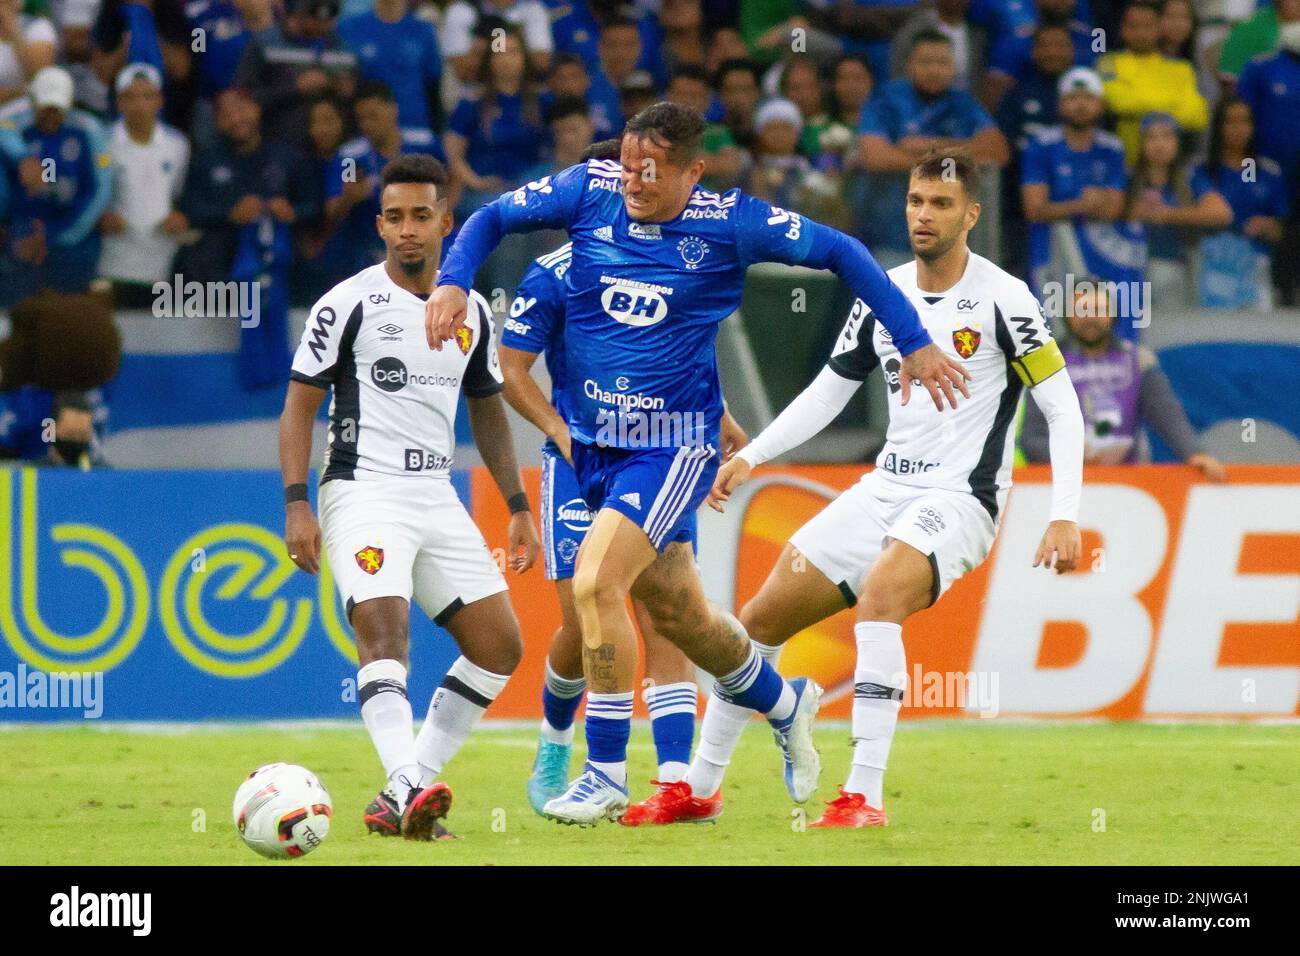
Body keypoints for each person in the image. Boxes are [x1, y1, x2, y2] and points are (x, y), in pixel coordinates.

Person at [425, 100, 971, 825]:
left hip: (670, 446)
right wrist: (454, 277)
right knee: (683, 615)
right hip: (590, 445)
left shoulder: (731, 222)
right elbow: (492, 217)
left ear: (693, 172)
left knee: (595, 583)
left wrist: (914, 339)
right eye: (628, 166)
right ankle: (785, 704)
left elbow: (843, 252)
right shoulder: (589, 188)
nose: (633, 182)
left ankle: (605, 772)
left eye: (650, 172)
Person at [635, 148, 1085, 827]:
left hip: (961, 499)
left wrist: (1064, 514)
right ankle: (701, 787)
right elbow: (828, 392)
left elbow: (1062, 407)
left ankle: (863, 796)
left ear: (971, 215)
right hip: (884, 491)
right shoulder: (883, 290)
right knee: (758, 621)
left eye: (940, 204)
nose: (924, 215)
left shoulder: (1006, 298)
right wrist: (751, 456)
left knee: (879, 599)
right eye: (915, 201)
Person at [279, 153, 540, 841]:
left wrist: (517, 504)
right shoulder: (348, 303)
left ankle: (404, 791)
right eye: (394, 217)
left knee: (500, 647)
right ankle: (408, 788)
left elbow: (487, 409)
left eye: (421, 216)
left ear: (447, 223)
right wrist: (297, 502)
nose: (407, 230)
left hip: (435, 493)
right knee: (385, 634)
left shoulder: (472, 311)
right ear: (380, 225)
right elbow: (298, 408)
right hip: (362, 490)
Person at [501, 142, 752, 816]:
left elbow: (682, 352)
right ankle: (557, 740)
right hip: (580, 462)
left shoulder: (672, 264)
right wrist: (560, 434)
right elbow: (511, 368)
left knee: (664, 611)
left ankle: (673, 777)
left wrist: (721, 415)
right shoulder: (554, 274)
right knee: (580, 616)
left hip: (662, 452)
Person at [1019, 279, 1224, 478]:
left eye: (1098, 309)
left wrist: (1194, 453)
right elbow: (1031, 437)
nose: (1090, 317)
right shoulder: (1047, 365)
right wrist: (1072, 457)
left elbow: (1167, 415)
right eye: (1081, 310)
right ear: (1067, 316)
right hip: (1062, 482)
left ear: (1113, 314)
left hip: (1128, 482)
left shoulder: (1138, 361)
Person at [1020, 67, 1141, 335]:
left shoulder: (1112, 148)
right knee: (1053, 329)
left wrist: (1061, 207)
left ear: (1100, 105)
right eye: (1073, 98)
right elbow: (1034, 208)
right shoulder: (1041, 145)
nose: (1081, 105)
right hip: (1051, 248)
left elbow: (1113, 208)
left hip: (1100, 251)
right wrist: (1083, 205)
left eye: (1088, 98)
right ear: (1060, 104)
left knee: (1100, 322)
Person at [0, 65, 111, 301]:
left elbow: (100, 190)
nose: (51, 116)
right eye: (45, 109)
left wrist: (56, 235)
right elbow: (3, 127)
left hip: (73, 237)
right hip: (24, 234)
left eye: (57, 109)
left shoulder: (89, 130)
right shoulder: (18, 123)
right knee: (19, 307)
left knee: (68, 312)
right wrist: (23, 157)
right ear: (32, 103)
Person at [97, 63, 191, 307]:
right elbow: (95, 194)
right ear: (119, 102)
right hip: (115, 257)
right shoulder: (103, 142)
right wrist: (102, 217)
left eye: (147, 97)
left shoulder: (177, 144)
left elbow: (179, 194)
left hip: (162, 257)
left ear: (159, 101)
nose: (139, 105)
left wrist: (179, 217)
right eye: (130, 97)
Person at [1192, 97, 1286, 309]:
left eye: (1244, 121)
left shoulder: (1264, 171)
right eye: (1230, 121)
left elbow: (1279, 230)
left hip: (1255, 266)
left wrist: (1268, 226)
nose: (1238, 129)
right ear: (1218, 127)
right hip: (1212, 266)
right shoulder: (1202, 170)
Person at [1097, 0, 1206, 163]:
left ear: (1159, 28)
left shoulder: (1181, 68)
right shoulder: (1107, 63)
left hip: (1171, 167)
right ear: (1122, 29)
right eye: (1134, 26)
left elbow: (1197, 116)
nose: (1141, 33)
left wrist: (1140, 102)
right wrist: (1172, 103)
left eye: (1148, 26)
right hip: (1124, 163)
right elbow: (1119, 102)